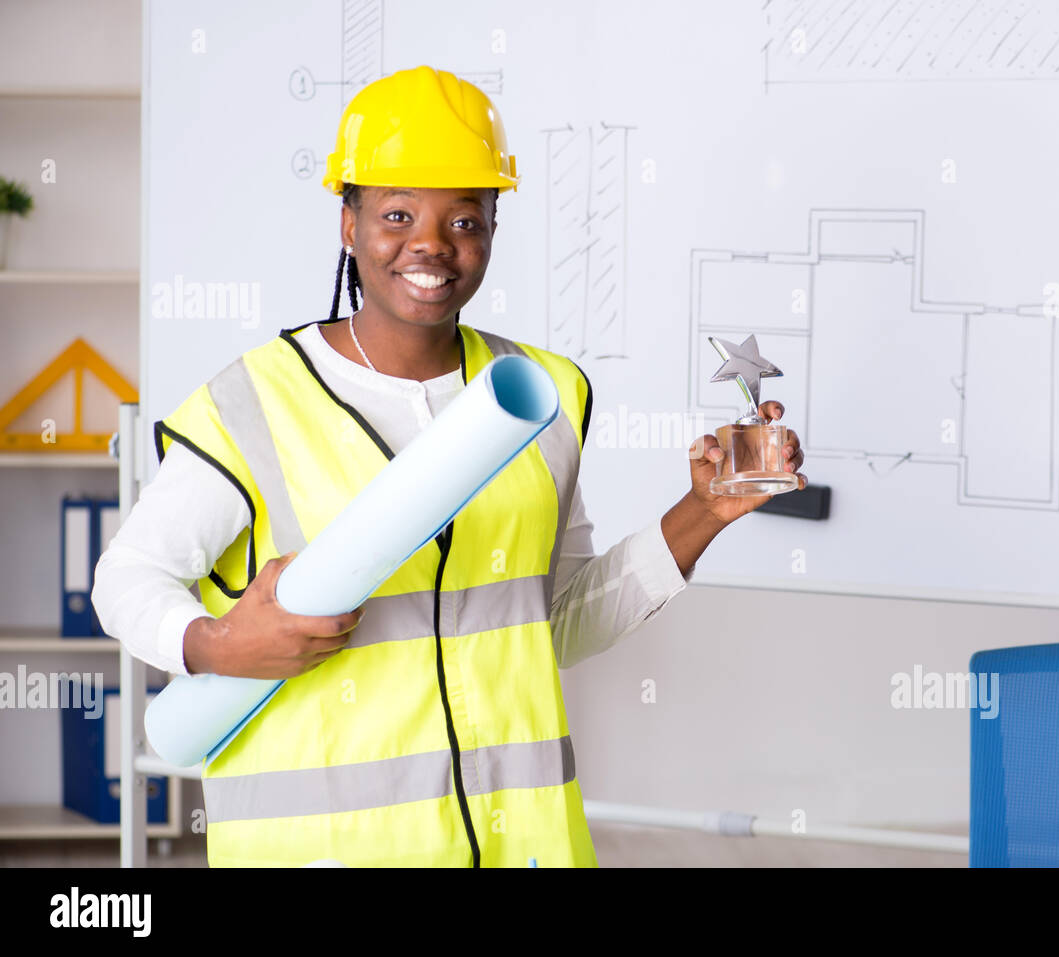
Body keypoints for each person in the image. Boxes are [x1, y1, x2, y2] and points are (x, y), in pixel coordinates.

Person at [92, 65, 806, 867]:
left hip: (523, 849)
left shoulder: (542, 395)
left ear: (493, 229)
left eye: (464, 219)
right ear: (348, 223)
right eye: (397, 213)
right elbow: (125, 580)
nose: (431, 244)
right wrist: (213, 644)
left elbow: (555, 622)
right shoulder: (254, 402)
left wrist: (701, 512)